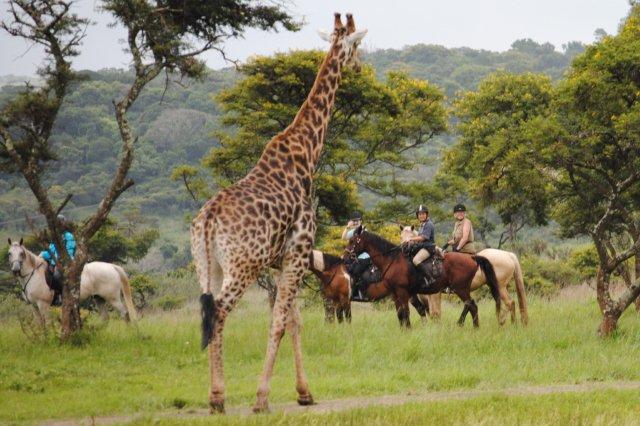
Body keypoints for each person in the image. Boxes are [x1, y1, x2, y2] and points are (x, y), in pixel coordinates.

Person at [404, 204, 438, 290]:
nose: (421, 216)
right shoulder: (422, 225)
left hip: (428, 248)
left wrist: (411, 238)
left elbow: (423, 237)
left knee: (416, 260)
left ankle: (430, 279)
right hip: (422, 247)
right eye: (419, 214)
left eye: (423, 214)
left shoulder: (429, 224)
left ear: (426, 215)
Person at [342, 211, 374, 302]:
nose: (356, 222)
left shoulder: (364, 230)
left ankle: (359, 293)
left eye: (357, 221)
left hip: (364, 257)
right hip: (355, 258)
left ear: (361, 221)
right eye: (354, 221)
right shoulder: (353, 231)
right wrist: (348, 227)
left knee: (355, 271)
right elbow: (343, 237)